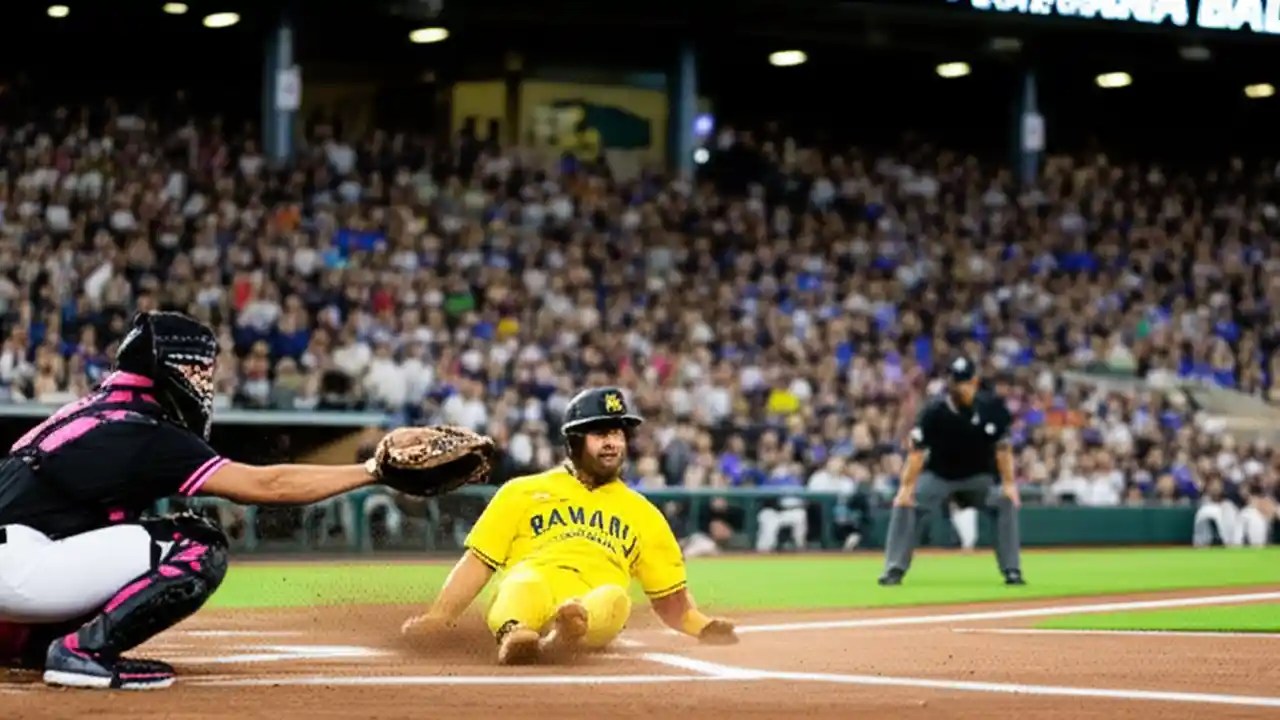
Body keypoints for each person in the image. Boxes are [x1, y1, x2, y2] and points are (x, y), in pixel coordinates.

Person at [0, 311, 484, 690]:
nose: (205, 383)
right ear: (164, 369)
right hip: (22, 571)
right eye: (196, 370)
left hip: (19, 568)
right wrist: (372, 471)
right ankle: (84, 654)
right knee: (195, 543)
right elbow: (266, 487)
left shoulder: (96, 411)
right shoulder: (147, 428)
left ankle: (30, 643)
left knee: (129, 533)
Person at [401, 386, 739, 664]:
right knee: (522, 584)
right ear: (573, 440)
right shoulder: (522, 491)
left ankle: (566, 635)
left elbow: (670, 597)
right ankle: (515, 635)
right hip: (534, 585)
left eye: (618, 434)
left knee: (612, 599)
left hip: (593, 605)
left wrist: (703, 626)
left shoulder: (644, 513)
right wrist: (440, 616)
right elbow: (478, 562)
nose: (613, 442)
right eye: (600, 433)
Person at [878, 357, 1025, 586]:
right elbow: (916, 453)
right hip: (939, 476)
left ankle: (1012, 570)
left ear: (974, 382)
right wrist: (906, 489)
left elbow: (1003, 449)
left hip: (979, 479)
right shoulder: (934, 411)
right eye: (957, 382)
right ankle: (894, 568)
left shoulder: (991, 408)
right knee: (906, 503)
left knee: (1004, 501)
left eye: (965, 382)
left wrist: (1009, 484)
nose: (961, 387)